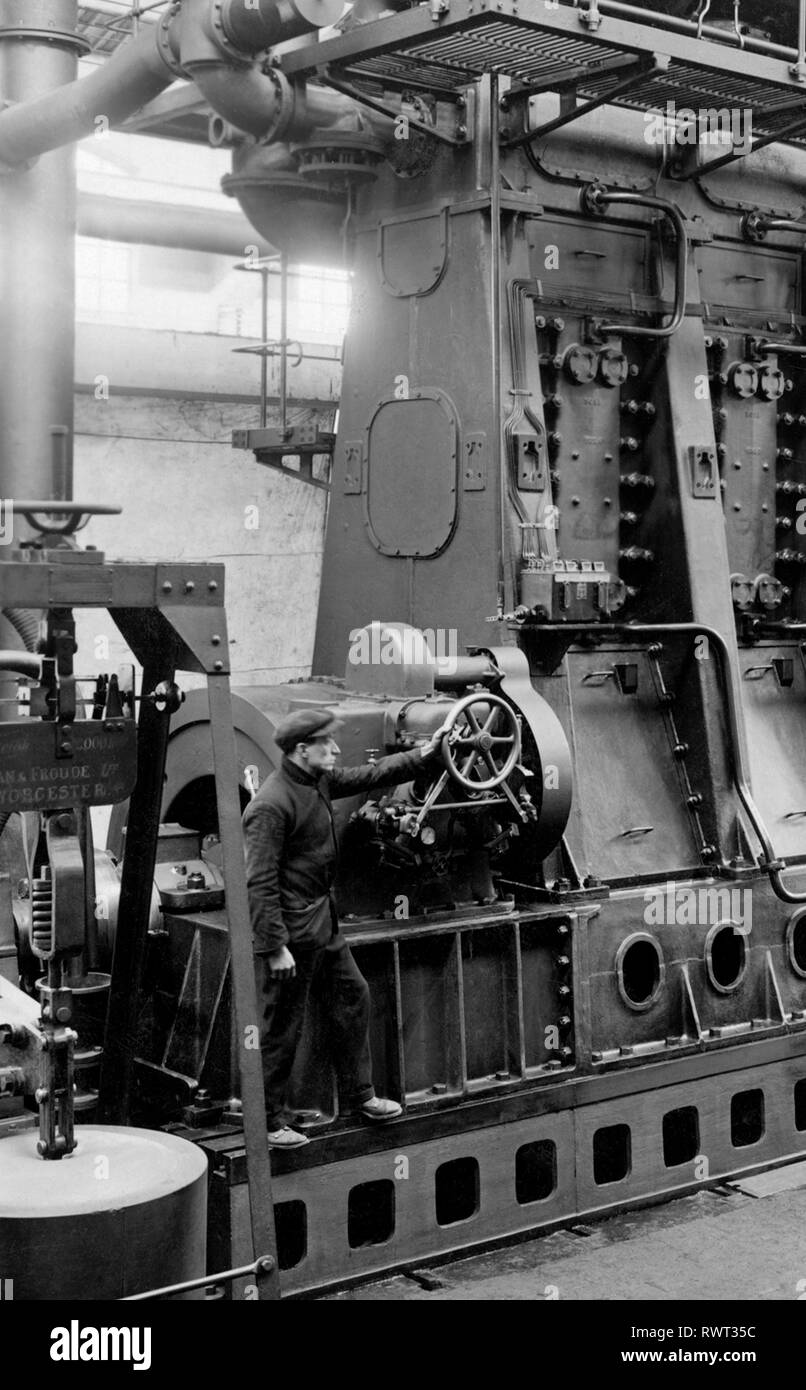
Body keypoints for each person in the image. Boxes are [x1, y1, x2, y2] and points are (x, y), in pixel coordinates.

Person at [244, 706, 443, 1148]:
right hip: (293, 932)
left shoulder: (317, 780)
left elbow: (369, 775)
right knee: (281, 1027)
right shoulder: (270, 805)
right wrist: (274, 946)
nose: (335, 749)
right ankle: (269, 1122)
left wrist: (425, 755)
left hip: (323, 922)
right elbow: (258, 882)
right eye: (326, 743)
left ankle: (361, 1096)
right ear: (301, 749)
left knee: (354, 995)